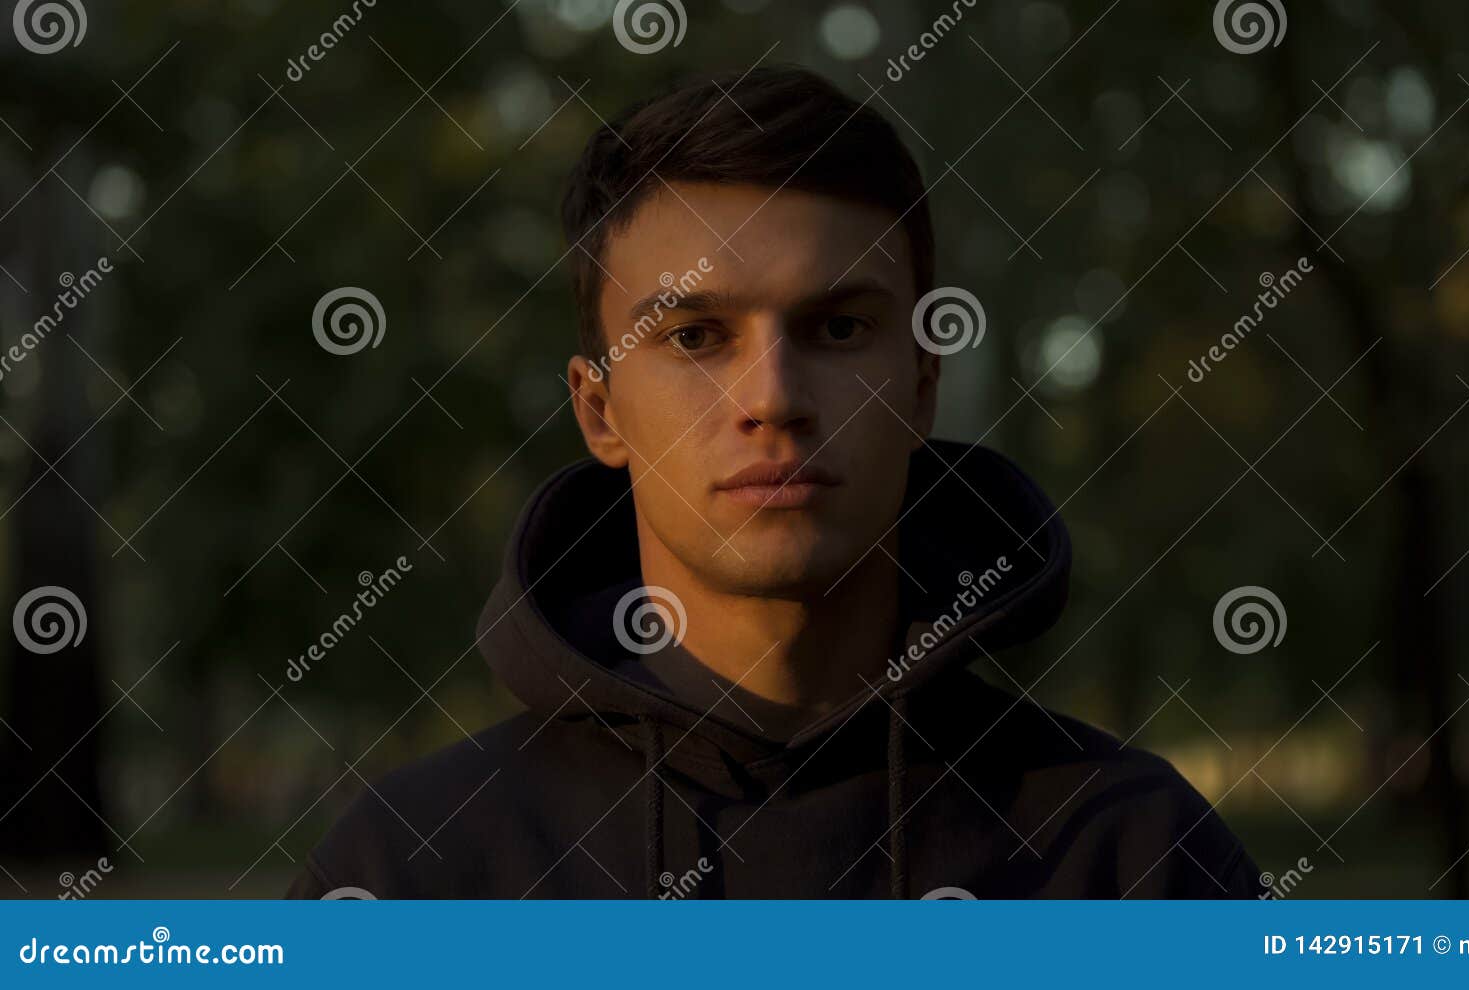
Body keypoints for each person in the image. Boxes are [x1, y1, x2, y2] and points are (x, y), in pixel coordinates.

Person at [287, 65, 1260, 899]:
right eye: (695, 336)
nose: (772, 398)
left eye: (838, 328)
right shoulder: (413, 870)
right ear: (601, 411)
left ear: (921, 387)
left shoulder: (1133, 856)